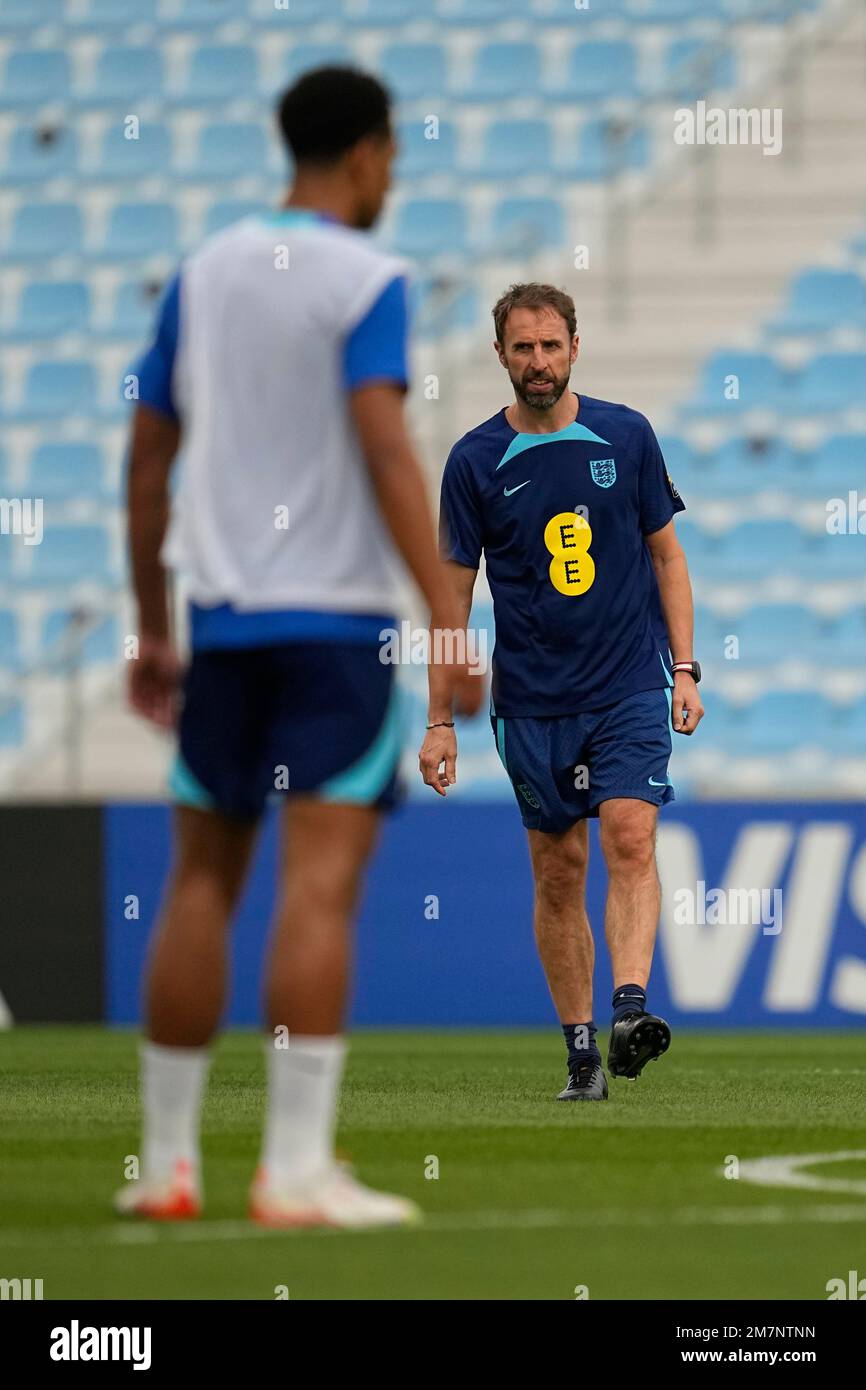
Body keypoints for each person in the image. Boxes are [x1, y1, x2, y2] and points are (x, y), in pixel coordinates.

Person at [120, 65, 480, 1228]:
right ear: (372, 153)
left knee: (196, 886)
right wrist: (445, 614)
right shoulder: (366, 276)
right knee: (315, 889)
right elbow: (382, 444)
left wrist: (151, 628)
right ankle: (291, 1171)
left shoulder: (204, 271)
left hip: (221, 624)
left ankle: (167, 1168)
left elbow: (144, 463)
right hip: (333, 625)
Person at [420, 282, 703, 1101]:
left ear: (574, 347)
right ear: (500, 355)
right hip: (532, 702)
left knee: (630, 837)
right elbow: (452, 602)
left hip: (627, 687)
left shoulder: (626, 434)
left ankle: (628, 1011)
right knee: (556, 870)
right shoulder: (474, 460)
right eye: (522, 347)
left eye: (550, 345)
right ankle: (582, 1053)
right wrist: (439, 720)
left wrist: (684, 668)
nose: (537, 362)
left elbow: (667, 557)